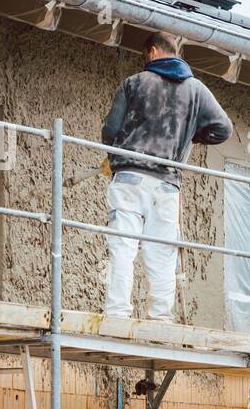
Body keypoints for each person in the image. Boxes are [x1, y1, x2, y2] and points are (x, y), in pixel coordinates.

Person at [100, 31, 233, 322]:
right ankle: (160, 318)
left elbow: (110, 130)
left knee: (122, 247)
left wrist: (114, 157)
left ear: (152, 51)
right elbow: (223, 128)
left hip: (130, 176)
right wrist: (190, 136)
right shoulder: (195, 89)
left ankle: (117, 314)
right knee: (161, 253)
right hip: (167, 184)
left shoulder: (134, 83)